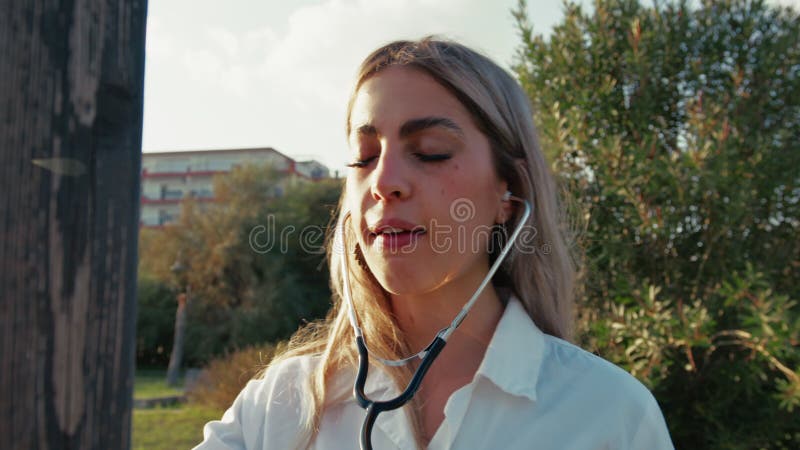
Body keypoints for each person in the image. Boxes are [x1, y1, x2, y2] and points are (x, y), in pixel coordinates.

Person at [194, 37, 674, 450]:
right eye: (364, 157)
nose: (385, 182)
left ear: (509, 192)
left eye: (430, 152)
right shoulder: (277, 408)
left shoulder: (611, 415)